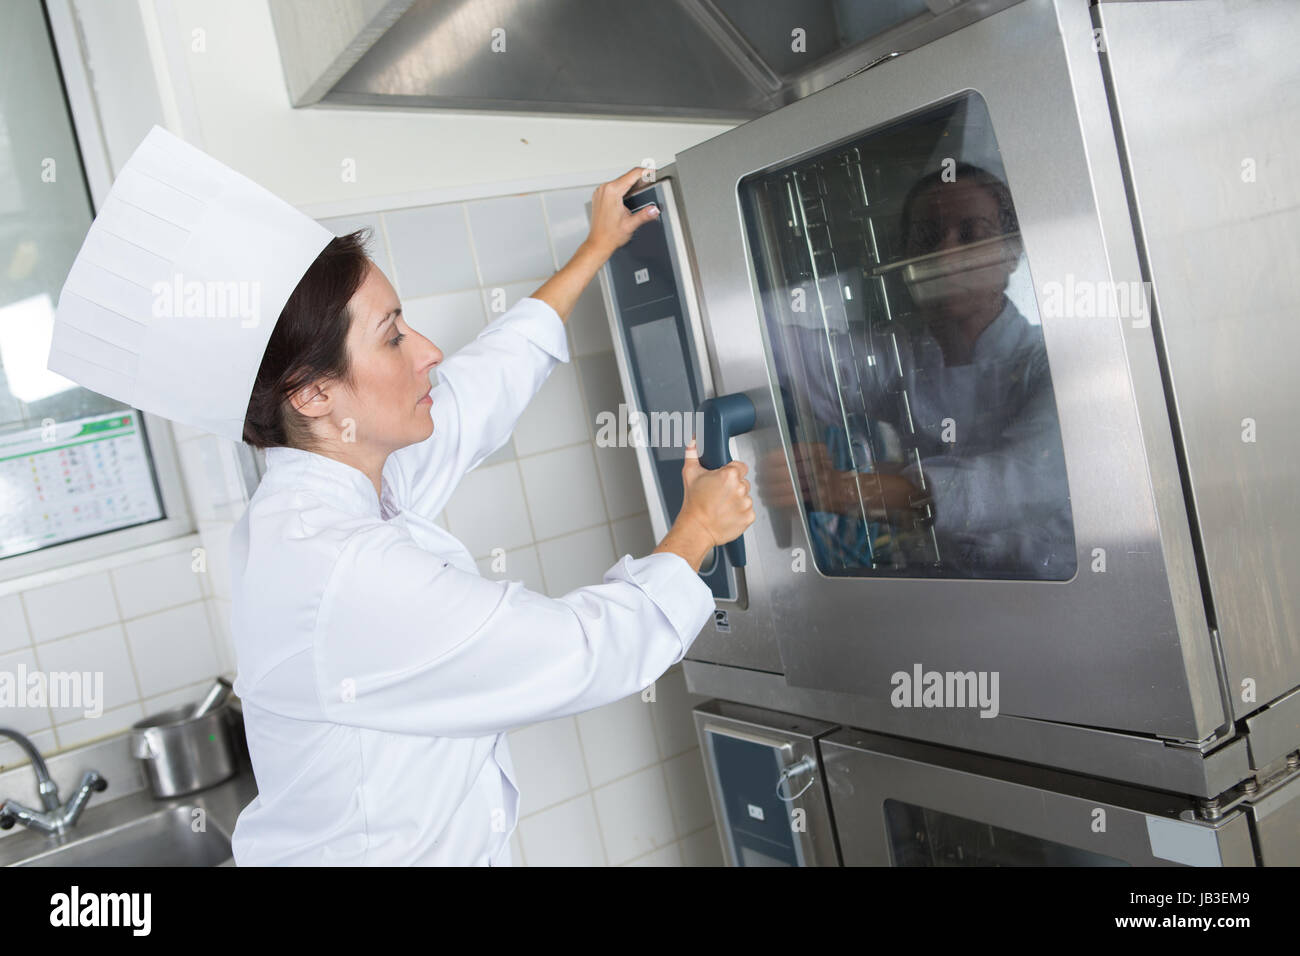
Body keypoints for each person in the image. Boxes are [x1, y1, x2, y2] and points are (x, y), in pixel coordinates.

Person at [47, 126, 754, 865]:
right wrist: (697, 531)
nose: (428, 352)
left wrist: (595, 249)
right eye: (392, 337)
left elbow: (479, 387)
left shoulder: (336, 482)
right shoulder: (342, 569)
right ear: (316, 392)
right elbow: (578, 652)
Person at [759, 162, 1073, 579]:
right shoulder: (903, 352)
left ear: (1011, 253)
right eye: (926, 238)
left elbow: (1026, 478)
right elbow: (798, 357)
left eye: (971, 234)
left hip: (1055, 602)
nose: (945, 253)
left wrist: (847, 489)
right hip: (947, 595)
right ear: (905, 257)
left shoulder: (1049, 361)